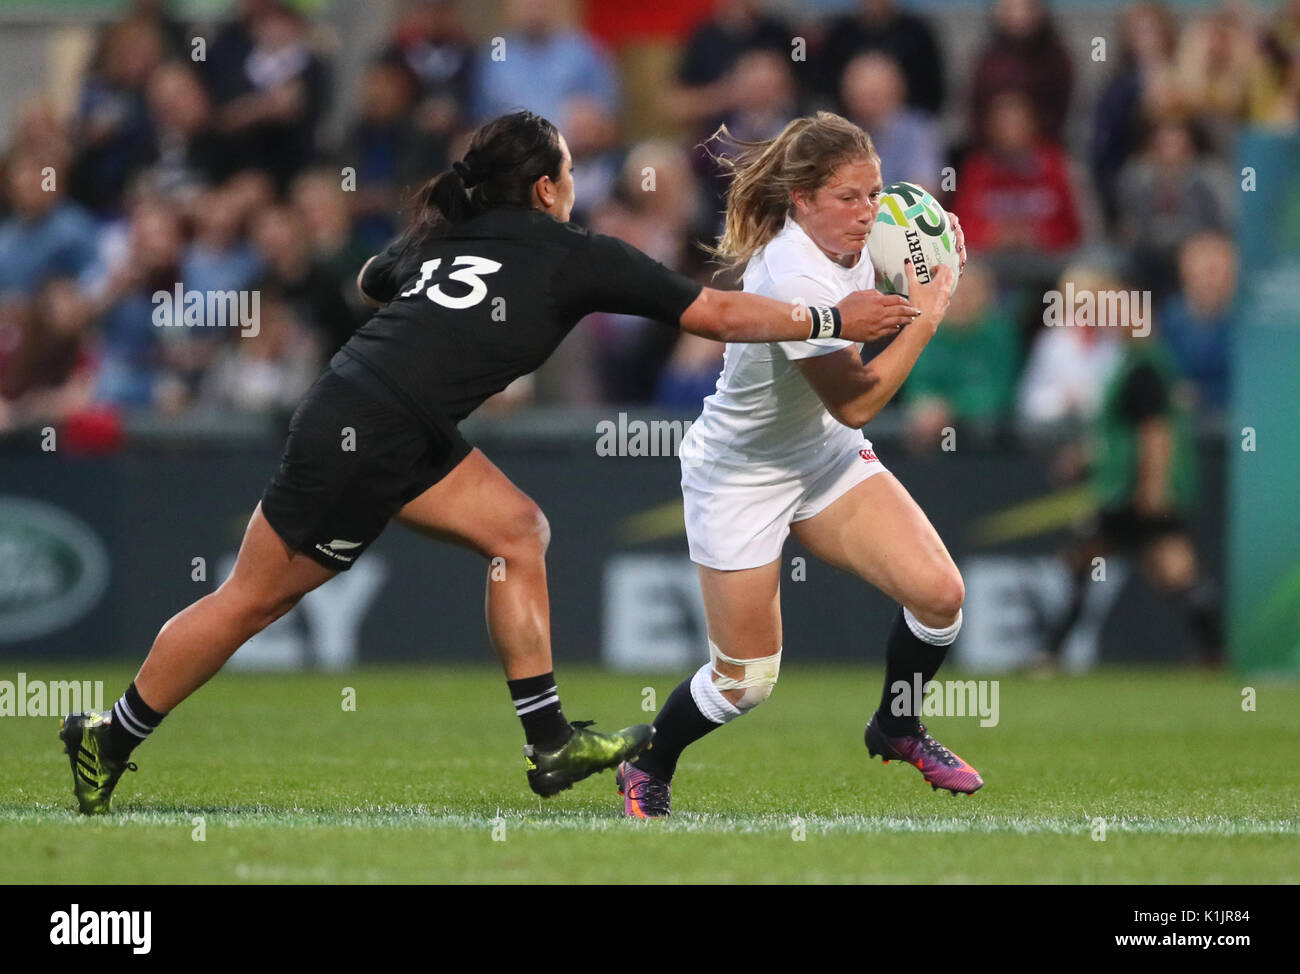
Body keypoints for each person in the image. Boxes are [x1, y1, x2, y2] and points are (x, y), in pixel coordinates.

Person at [60, 110, 924, 815]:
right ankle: (109, 736)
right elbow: (719, 315)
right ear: (546, 188)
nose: (577, 185)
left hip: (380, 412)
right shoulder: (574, 256)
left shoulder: (451, 237)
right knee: (253, 600)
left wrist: (438, 272)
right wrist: (833, 320)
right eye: (570, 171)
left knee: (518, 531)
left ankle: (550, 745)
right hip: (372, 426)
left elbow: (372, 281)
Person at [615, 112, 980, 820]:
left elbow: (910, 238)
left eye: (873, 193)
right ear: (803, 199)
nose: (867, 211)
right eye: (848, 197)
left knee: (940, 595)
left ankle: (896, 724)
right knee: (744, 681)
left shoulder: (868, 232)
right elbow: (858, 401)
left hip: (823, 455)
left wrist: (935, 244)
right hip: (742, 474)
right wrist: (930, 313)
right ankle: (649, 760)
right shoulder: (790, 273)